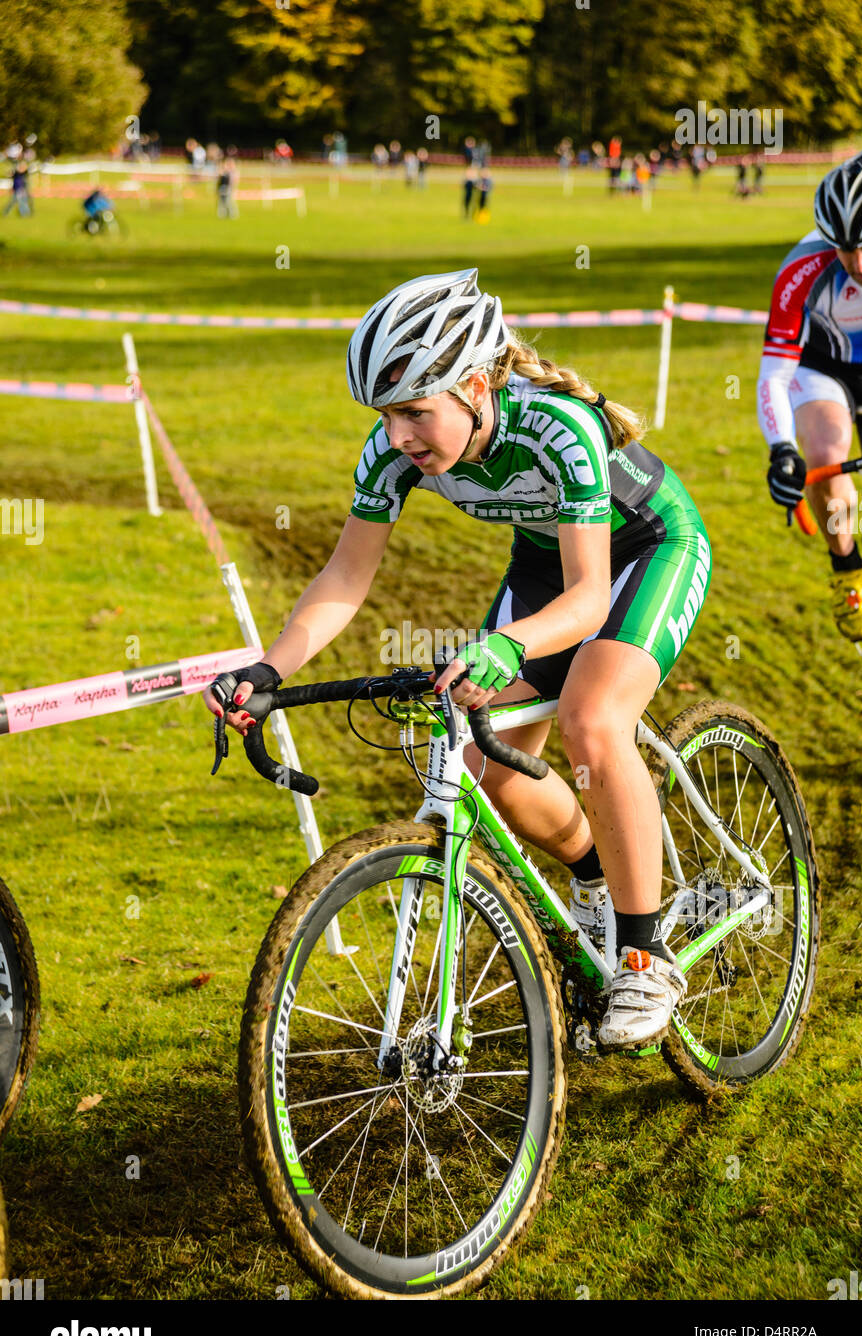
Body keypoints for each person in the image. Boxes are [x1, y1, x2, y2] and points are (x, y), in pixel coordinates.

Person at [204, 268, 713, 1051]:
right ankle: (596, 883)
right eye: (386, 416)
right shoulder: (390, 453)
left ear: (475, 386)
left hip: (644, 549)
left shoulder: (556, 426)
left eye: (415, 412)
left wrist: (509, 641)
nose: (399, 436)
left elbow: (586, 600)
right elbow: (346, 575)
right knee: (486, 760)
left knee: (592, 719)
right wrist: (270, 667)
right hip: (548, 565)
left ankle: (645, 956)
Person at [760, 151, 862, 644]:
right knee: (824, 454)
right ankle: (847, 570)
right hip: (823, 368)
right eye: (845, 249)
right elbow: (774, 376)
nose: (858, 264)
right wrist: (782, 450)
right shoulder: (802, 270)